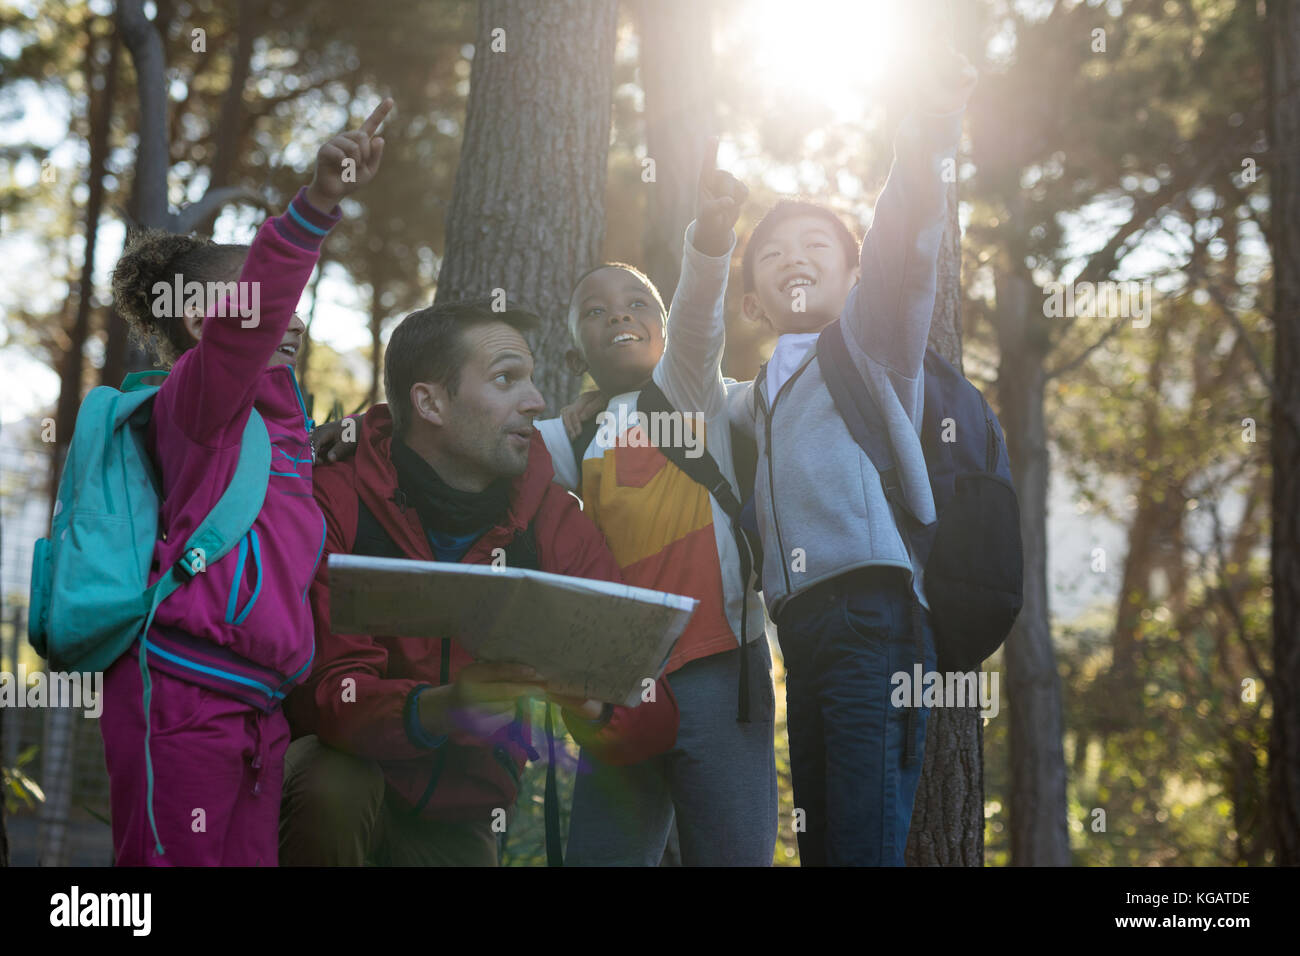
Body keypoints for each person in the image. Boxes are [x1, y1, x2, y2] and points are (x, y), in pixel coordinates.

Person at [691, 47, 978, 866]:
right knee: (827, 837)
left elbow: (904, 241)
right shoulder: (753, 398)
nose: (796, 259)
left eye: (818, 247)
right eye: (773, 257)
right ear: (753, 299)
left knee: (858, 836)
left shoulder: (872, 342)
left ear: (856, 277)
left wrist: (927, 127)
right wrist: (708, 248)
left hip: (871, 611)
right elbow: (690, 361)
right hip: (802, 628)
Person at [280, 300, 677, 867]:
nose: (536, 400)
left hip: (465, 813)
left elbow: (651, 708)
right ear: (430, 402)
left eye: (532, 378)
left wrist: (592, 699)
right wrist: (441, 709)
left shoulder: (552, 520)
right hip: (346, 778)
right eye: (505, 379)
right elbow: (327, 693)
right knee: (332, 784)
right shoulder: (337, 496)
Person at [99, 98, 392, 866]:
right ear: (206, 325)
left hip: (257, 712)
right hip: (183, 696)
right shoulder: (197, 402)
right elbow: (249, 324)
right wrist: (318, 203)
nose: (292, 320)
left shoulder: (279, 428)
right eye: (275, 306)